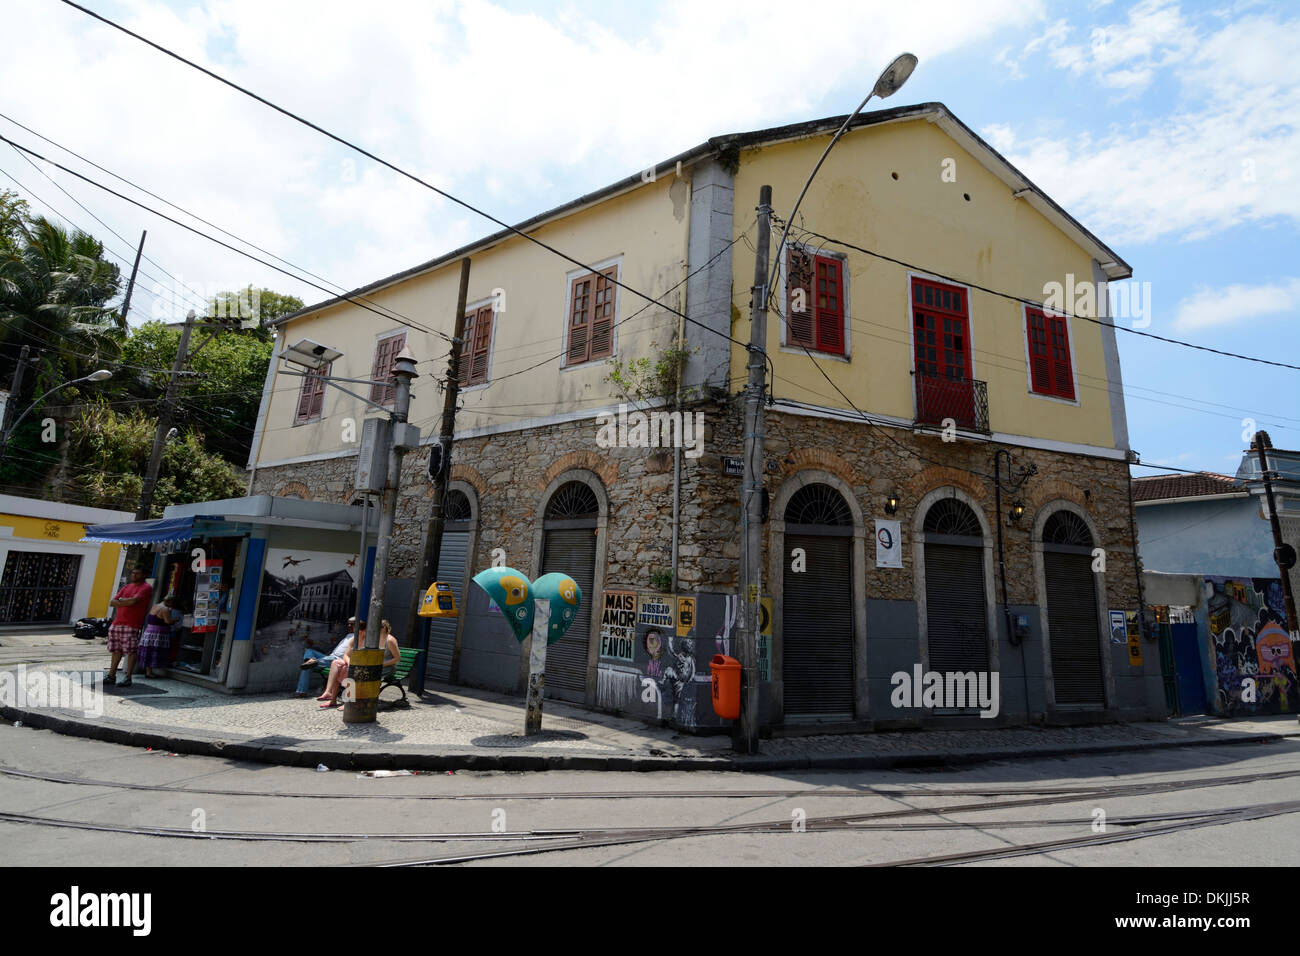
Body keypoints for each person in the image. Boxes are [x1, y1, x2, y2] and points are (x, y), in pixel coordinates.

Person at [318, 619, 399, 708]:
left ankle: (348, 702)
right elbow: (351, 654)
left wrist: (381, 665)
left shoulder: (390, 640)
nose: (371, 631)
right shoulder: (372, 639)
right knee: (341, 667)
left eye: (374, 628)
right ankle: (331, 696)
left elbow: (397, 659)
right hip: (372, 666)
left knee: (355, 673)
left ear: (383, 628)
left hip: (386, 668)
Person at [106, 565, 154, 687]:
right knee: (116, 650)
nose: (134, 575)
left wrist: (121, 601)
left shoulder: (146, 588)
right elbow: (112, 602)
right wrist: (127, 601)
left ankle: (128, 677)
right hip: (117, 622)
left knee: (131, 650)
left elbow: (134, 601)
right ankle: (111, 675)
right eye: (133, 573)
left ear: (143, 575)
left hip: (131, 624)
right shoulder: (127, 586)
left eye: (137, 573)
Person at [295, 618, 362, 698]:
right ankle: (310, 660)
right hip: (330, 657)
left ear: (358, 625)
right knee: (309, 651)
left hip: (337, 660)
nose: (349, 626)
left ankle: (301, 691)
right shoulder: (348, 635)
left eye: (352, 624)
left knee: (306, 667)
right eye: (348, 624)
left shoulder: (359, 636)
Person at [137, 595, 180, 678]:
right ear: (170, 602)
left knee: (149, 651)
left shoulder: (155, 606)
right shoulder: (165, 609)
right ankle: (149, 673)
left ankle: (148, 671)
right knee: (154, 651)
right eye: (172, 603)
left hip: (149, 631)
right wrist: (175, 620)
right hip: (158, 633)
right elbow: (168, 621)